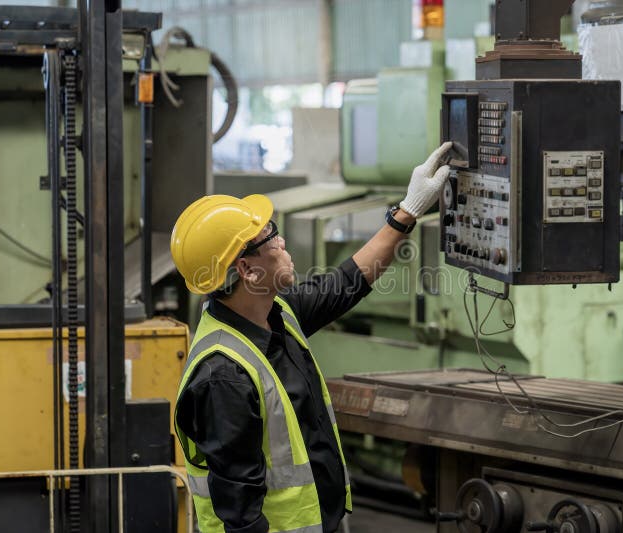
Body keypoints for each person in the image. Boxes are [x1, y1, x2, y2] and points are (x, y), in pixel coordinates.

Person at [170, 142, 452, 533]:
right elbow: (239, 515)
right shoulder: (224, 377)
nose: (281, 242)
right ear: (248, 270)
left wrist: (408, 210)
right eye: (270, 237)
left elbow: (348, 282)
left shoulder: (278, 312)